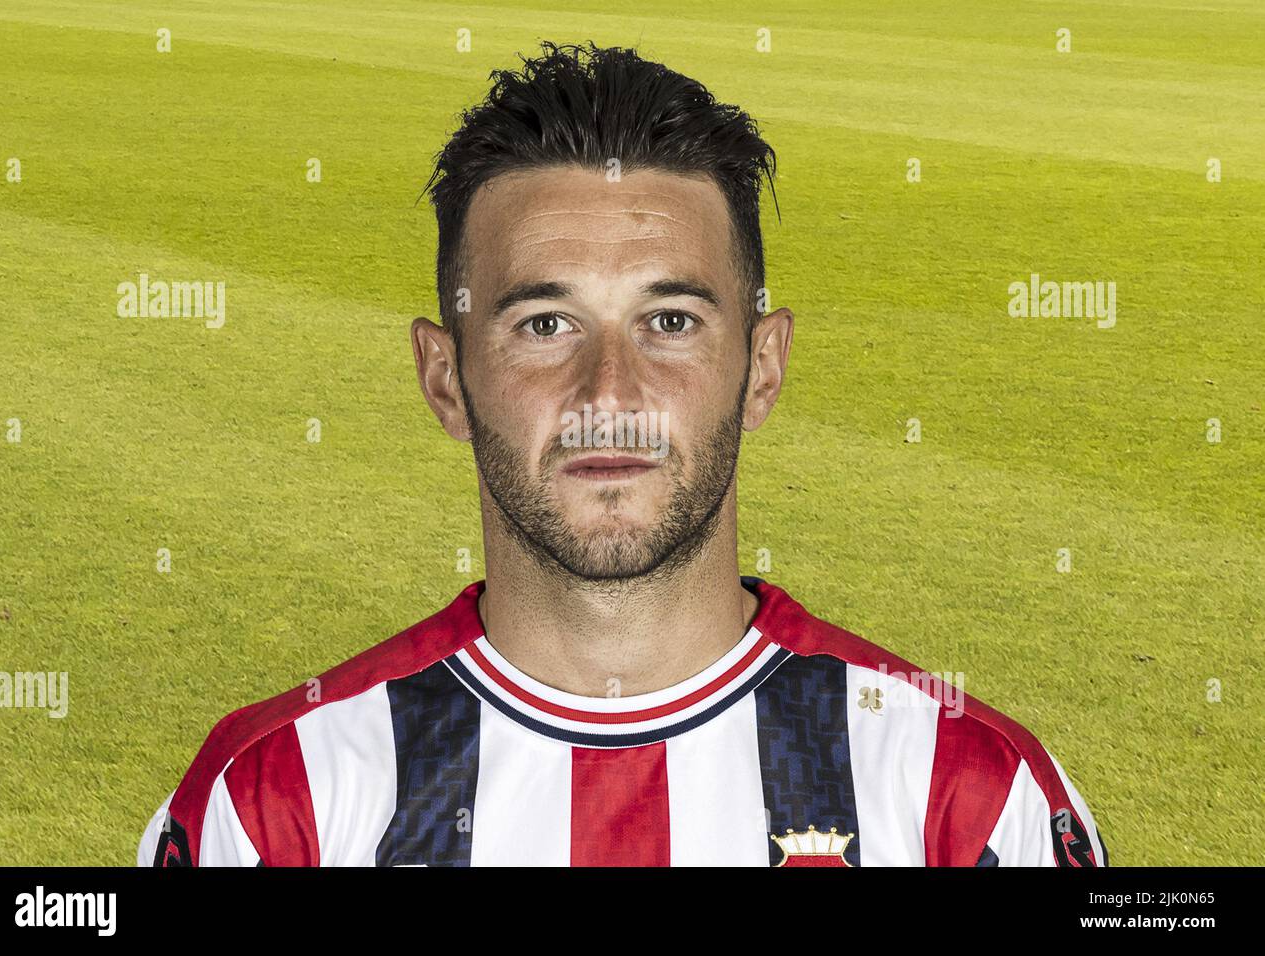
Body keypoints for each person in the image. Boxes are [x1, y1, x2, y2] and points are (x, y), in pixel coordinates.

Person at [139, 41, 1106, 867]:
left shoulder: (970, 805)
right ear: (445, 378)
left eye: (670, 319)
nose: (610, 394)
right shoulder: (274, 808)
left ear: (764, 368)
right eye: (547, 322)